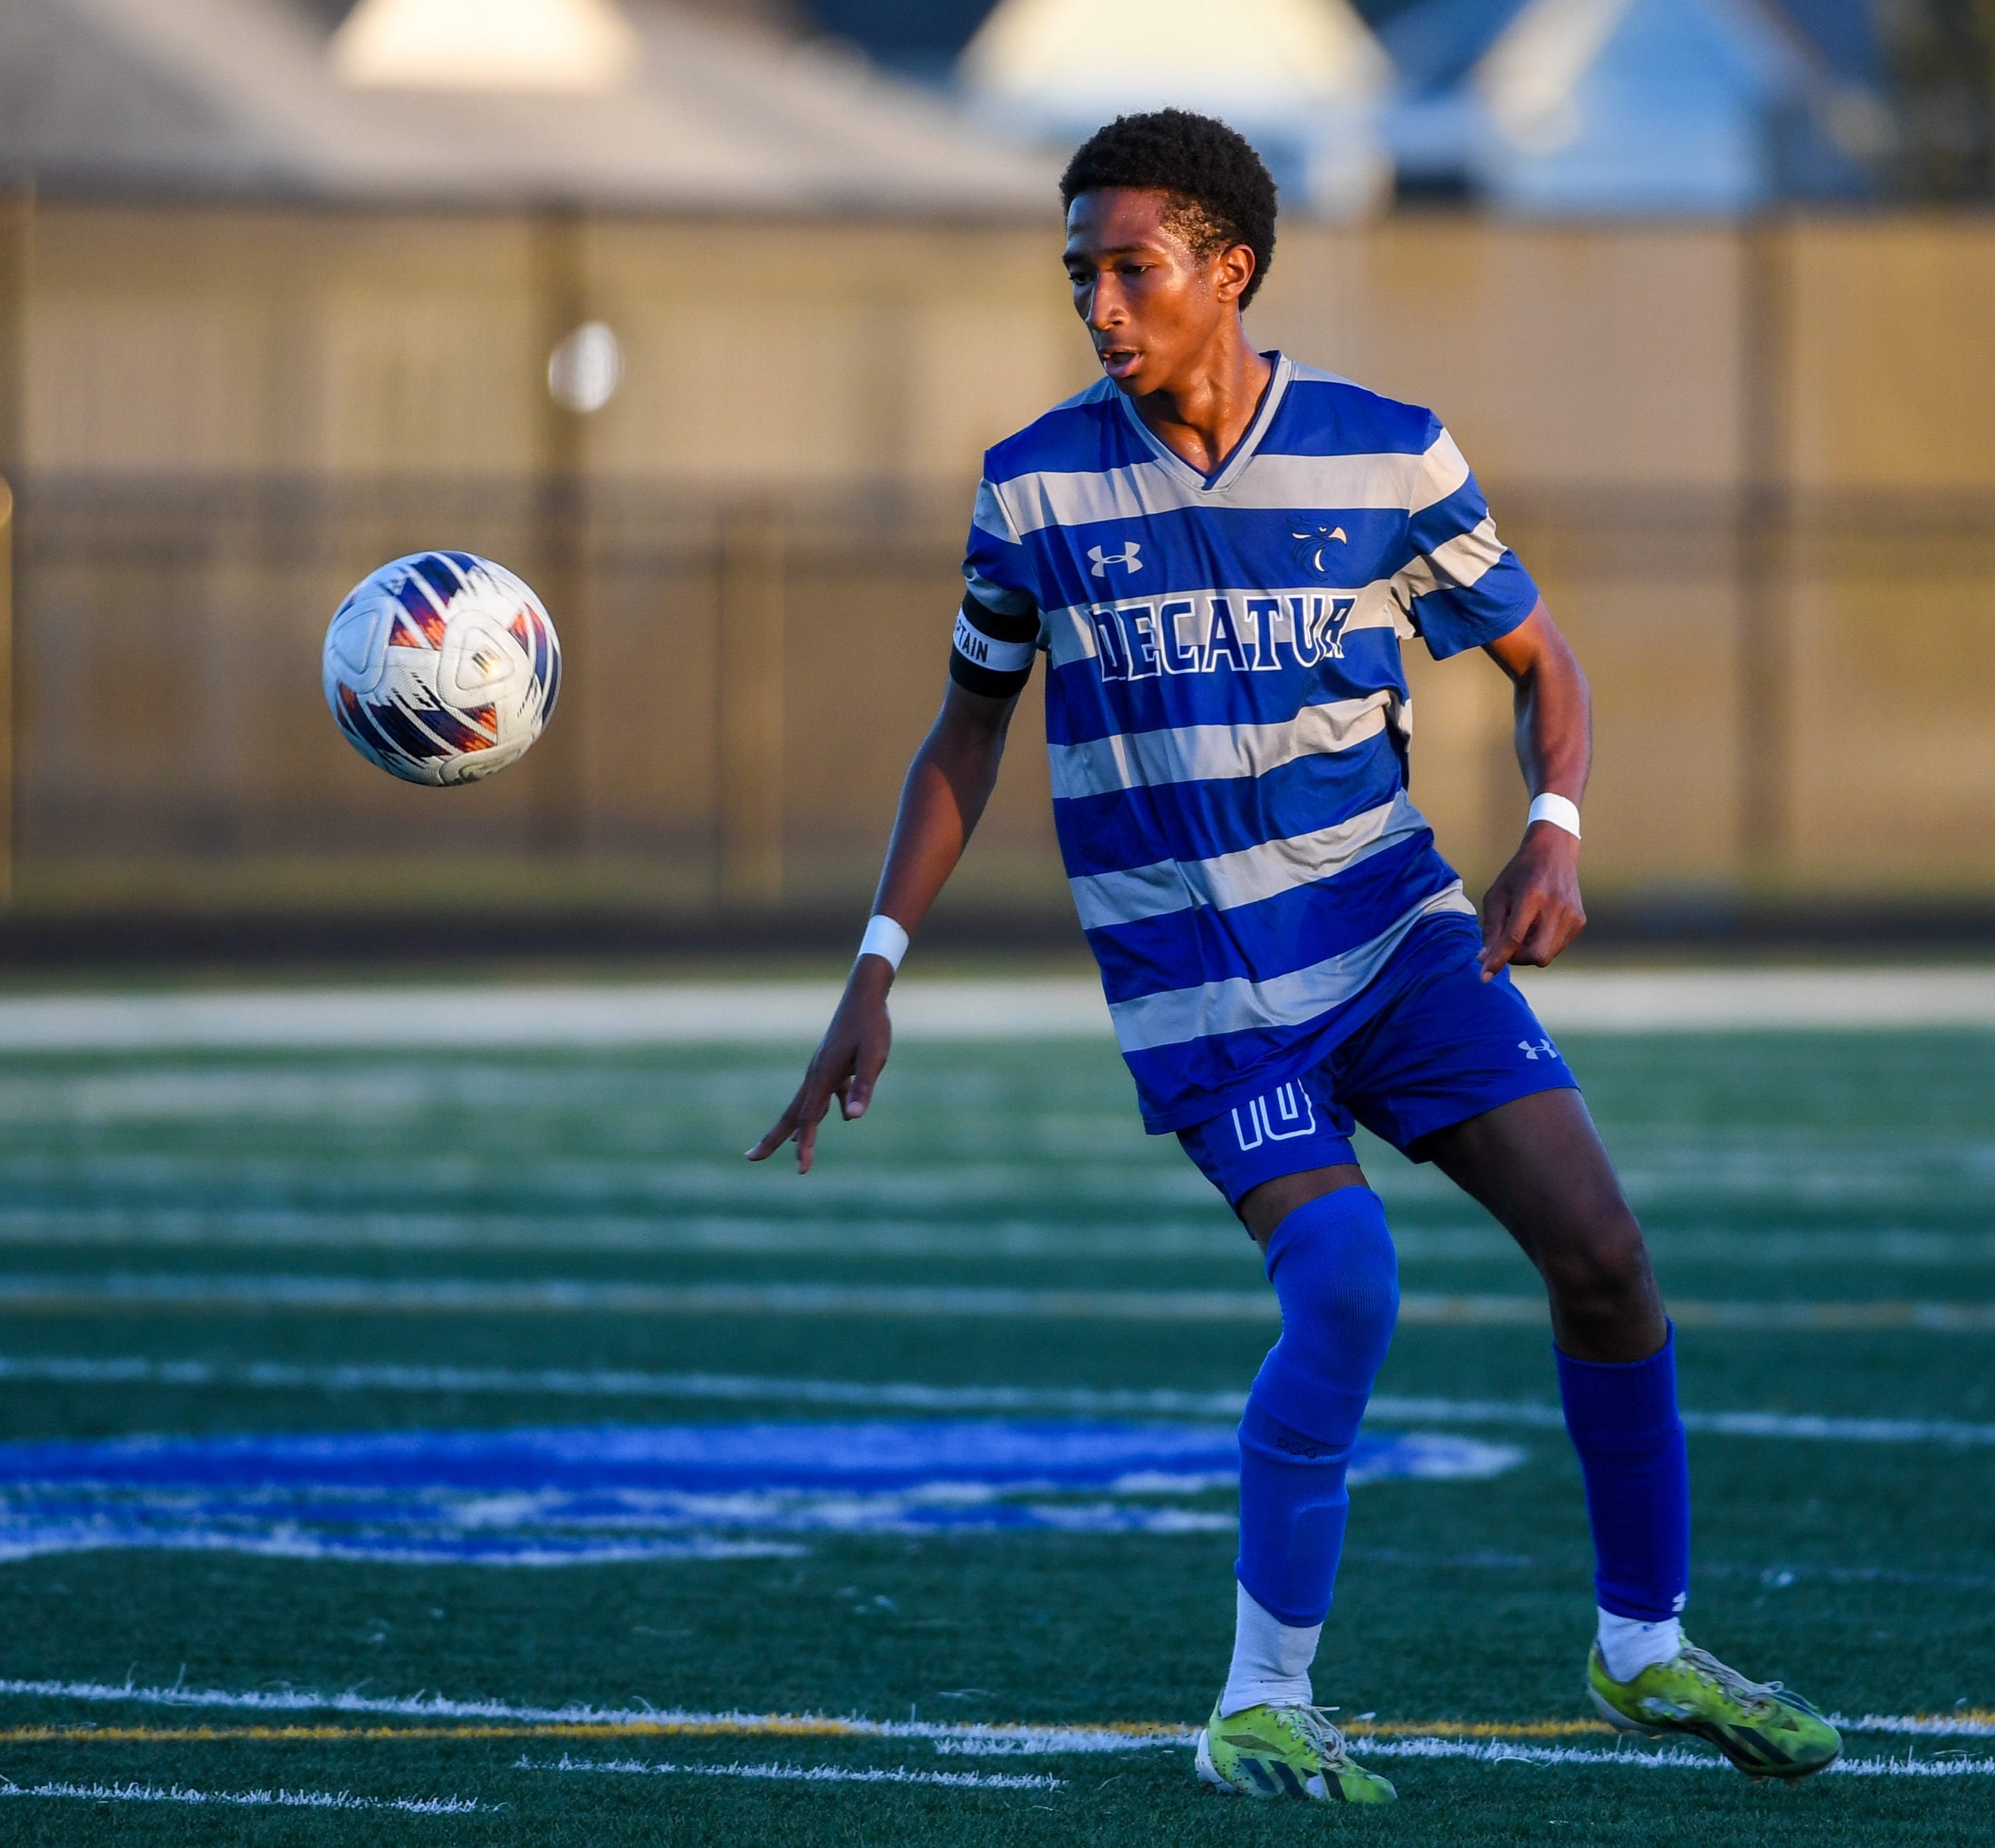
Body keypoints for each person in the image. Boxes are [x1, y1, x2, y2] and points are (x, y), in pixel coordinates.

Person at [748, 107, 1839, 1803]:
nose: (1098, 304)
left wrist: (1552, 828)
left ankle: (1642, 1648)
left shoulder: (1387, 455)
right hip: (1203, 983)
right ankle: (1258, 1699)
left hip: (1394, 938)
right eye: (1078, 274)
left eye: (1130, 269)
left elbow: (1542, 664)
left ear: (1229, 269)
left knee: (1605, 1255)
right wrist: (875, 964)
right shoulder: (1030, 486)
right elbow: (966, 730)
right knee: (1344, 1283)